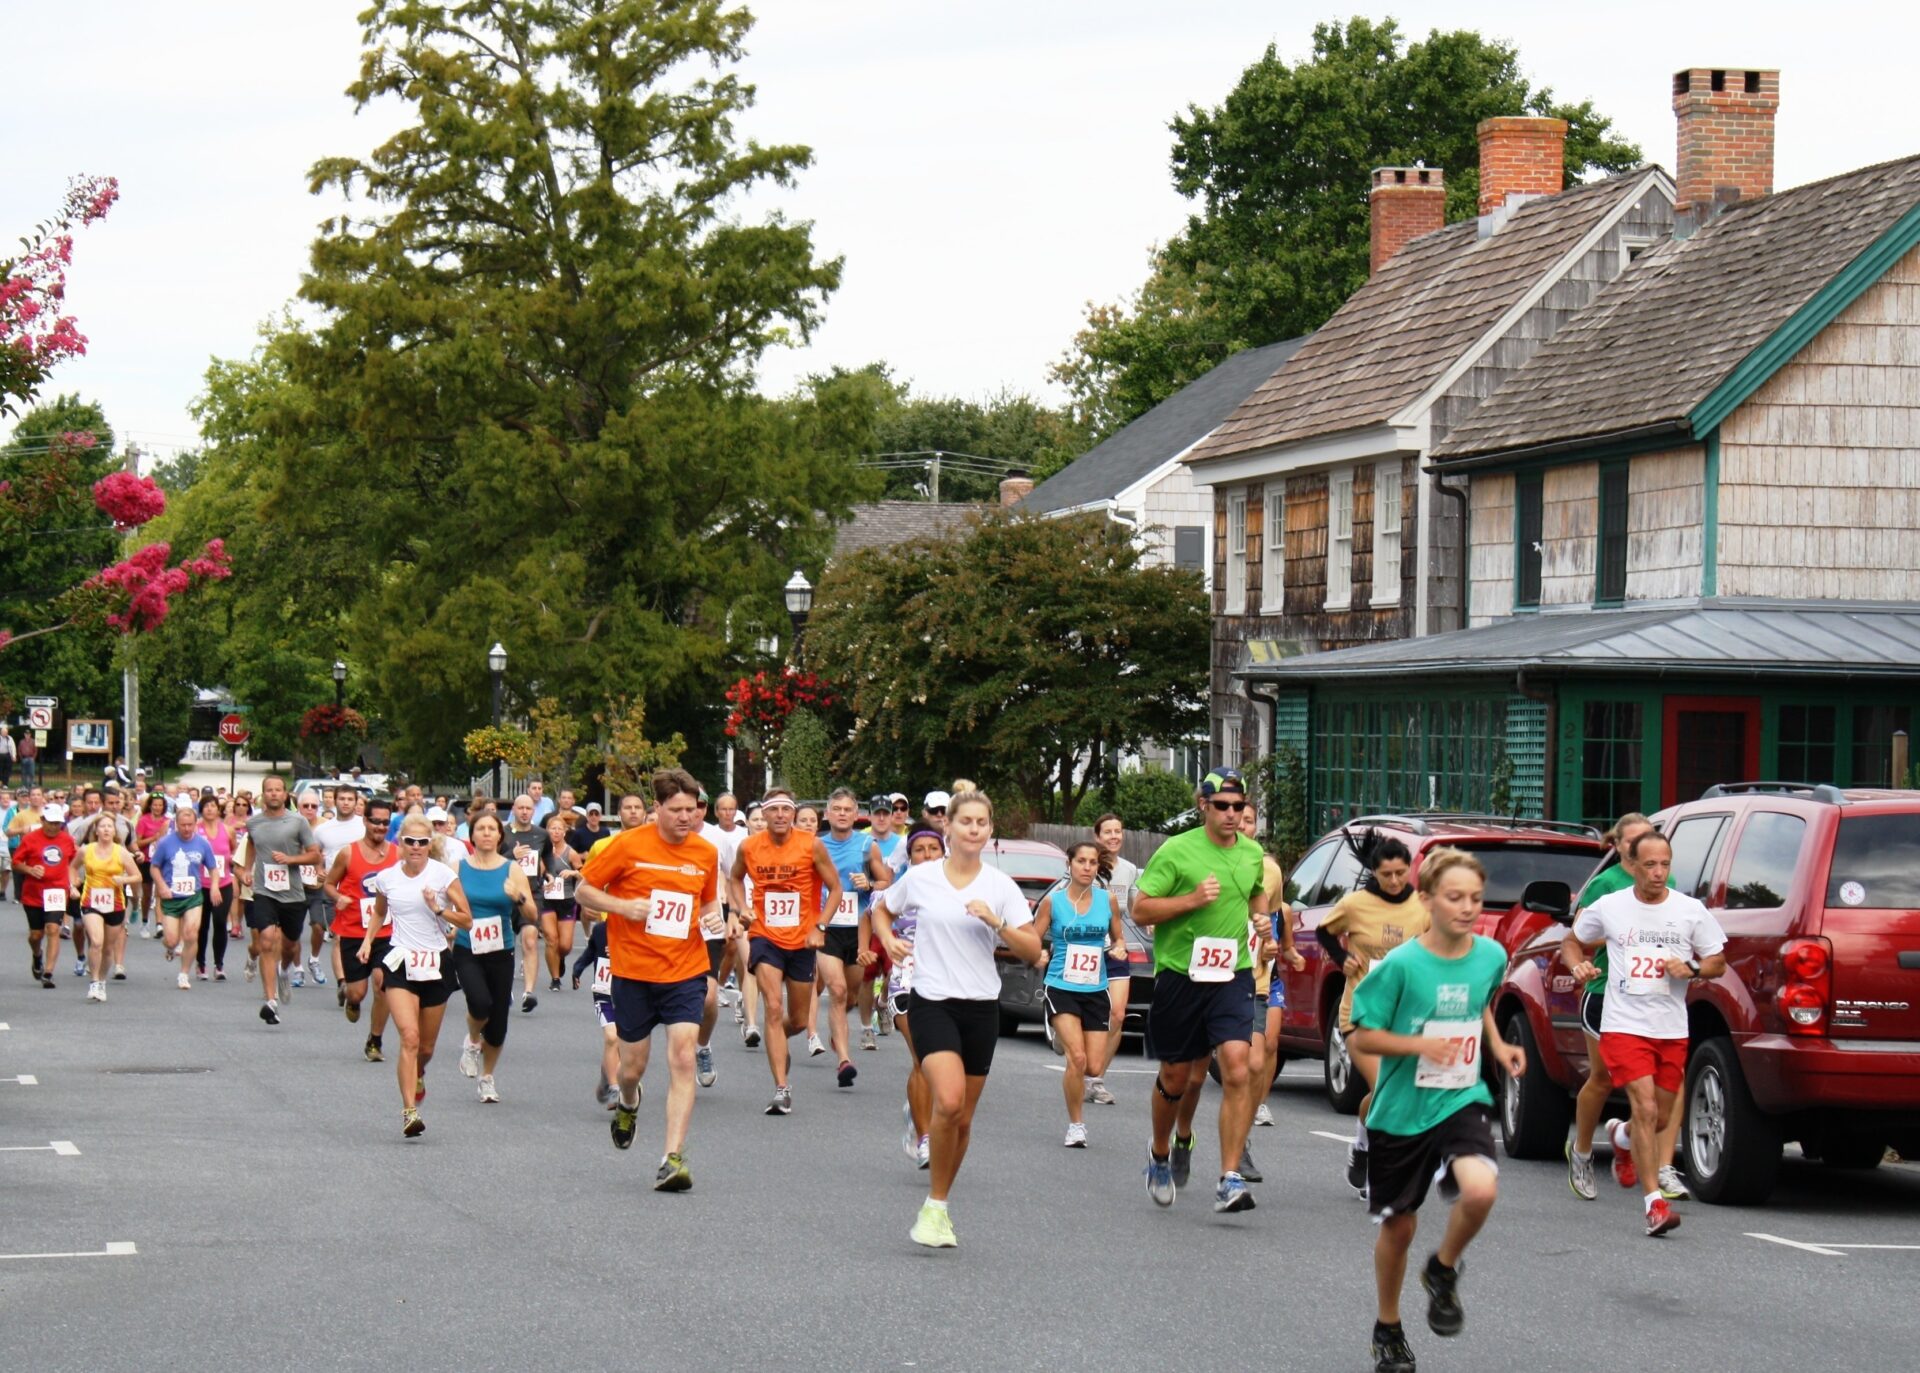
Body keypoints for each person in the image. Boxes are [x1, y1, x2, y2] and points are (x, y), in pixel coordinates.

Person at [1348, 848, 1523, 1373]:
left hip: (1459, 1097)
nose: (1468, 907)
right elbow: (1362, 1035)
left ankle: (1442, 1270)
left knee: (1481, 1188)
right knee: (1399, 1227)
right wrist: (1419, 1046)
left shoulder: (1492, 955)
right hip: (1401, 1109)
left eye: (1475, 897)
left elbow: (1480, 1003)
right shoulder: (1402, 965)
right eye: (1455, 897)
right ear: (1426, 900)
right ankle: (1388, 1328)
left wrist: (1496, 1045)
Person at [873, 790, 1040, 1247]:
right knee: (948, 1101)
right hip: (932, 1001)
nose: (973, 829)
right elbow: (881, 908)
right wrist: (887, 940)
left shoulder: (1000, 887)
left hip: (982, 1007)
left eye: (982, 822)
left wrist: (997, 924)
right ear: (947, 827)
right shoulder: (923, 877)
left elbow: (1032, 952)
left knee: (963, 1117)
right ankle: (935, 1204)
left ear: (989, 830)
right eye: (965, 821)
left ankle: (938, 1206)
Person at [1565, 831, 1727, 1237]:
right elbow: (1572, 942)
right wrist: (1577, 967)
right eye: (1650, 865)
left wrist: (1691, 969)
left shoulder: (1690, 910)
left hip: (1670, 1027)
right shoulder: (1610, 906)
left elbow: (1718, 962)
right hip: (1624, 1024)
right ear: (1632, 867)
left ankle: (1620, 1136)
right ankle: (1654, 1205)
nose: (1658, 873)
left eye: (1665, 864)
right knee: (1647, 1106)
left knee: (1661, 1116)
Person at [575, 768, 722, 1192]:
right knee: (632, 1068)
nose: (684, 818)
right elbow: (584, 892)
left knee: (682, 1058)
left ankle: (672, 1157)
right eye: (675, 810)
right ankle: (627, 1101)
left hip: (685, 970)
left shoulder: (705, 852)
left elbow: (708, 898)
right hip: (633, 973)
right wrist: (623, 907)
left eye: (691, 810)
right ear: (656, 808)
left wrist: (714, 915)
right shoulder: (627, 845)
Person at [1132, 768, 1269, 1215]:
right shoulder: (1177, 850)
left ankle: (1229, 1178)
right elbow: (1141, 907)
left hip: (1232, 974)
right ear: (1203, 805)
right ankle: (1159, 1153)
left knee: (1237, 1066)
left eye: (1239, 807)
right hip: (1180, 976)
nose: (1232, 815)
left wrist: (1263, 921)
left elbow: (1255, 893)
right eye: (1222, 806)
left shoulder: (1251, 853)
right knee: (1176, 1077)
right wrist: (1190, 900)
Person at [1564, 812, 1688, 1203]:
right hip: (1607, 993)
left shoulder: (1666, 884)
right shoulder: (1605, 885)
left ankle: (1640, 1147)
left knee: (1666, 1086)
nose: (1643, 856)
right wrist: (1624, 937)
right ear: (1619, 849)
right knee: (1603, 1079)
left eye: (1649, 844)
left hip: (1657, 1001)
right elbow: (1580, 937)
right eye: (1633, 845)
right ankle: (1582, 1150)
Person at [1319, 830, 1429, 1195]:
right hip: (1360, 1014)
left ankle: (1363, 1144)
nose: (1395, 881)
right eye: (1387, 875)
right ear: (1375, 872)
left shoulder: (1421, 909)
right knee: (1384, 1087)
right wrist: (1343, 958)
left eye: (1401, 873)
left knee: (1394, 1092)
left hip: (1405, 1018)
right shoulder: (1355, 904)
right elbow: (1323, 932)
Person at [728, 788, 841, 1116]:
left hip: (803, 941)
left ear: (793, 814)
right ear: (764, 815)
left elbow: (835, 888)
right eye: (772, 810)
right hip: (764, 936)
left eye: (785, 810)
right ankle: (781, 1087)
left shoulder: (811, 845)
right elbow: (734, 879)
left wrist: (820, 926)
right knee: (773, 1009)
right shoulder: (749, 846)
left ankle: (779, 1042)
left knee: (798, 1017)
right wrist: (742, 907)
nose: (779, 815)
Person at [361, 816, 471, 1137]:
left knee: (425, 1047)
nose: (416, 847)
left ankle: (419, 1071)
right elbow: (380, 911)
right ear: (401, 843)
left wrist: (438, 908)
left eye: (423, 842)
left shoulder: (443, 875)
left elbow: (467, 920)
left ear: (430, 845)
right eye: (410, 841)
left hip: (436, 962)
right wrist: (368, 941)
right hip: (400, 961)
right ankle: (409, 1111)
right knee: (409, 1037)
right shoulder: (387, 878)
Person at [1033, 840, 1125, 1148]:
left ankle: (1063, 1037)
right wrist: (1038, 955)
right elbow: (1033, 938)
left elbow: (1118, 936)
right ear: (1069, 865)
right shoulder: (1054, 902)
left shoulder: (1107, 900)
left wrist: (1121, 948)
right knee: (1078, 1057)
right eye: (1081, 861)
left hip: (1095, 988)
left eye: (1092, 862)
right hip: (1061, 985)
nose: (1087, 867)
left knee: (1094, 1066)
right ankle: (1076, 1124)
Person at [450, 811, 538, 1103]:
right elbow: (442, 901)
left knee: (498, 1023)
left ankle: (487, 1077)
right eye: (481, 828)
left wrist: (519, 898)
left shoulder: (512, 869)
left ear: (500, 836)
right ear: (472, 835)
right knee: (479, 1002)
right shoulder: (458, 867)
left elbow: (531, 915)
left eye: (492, 829)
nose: (487, 833)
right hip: (467, 946)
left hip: (501, 949)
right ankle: (473, 1041)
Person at [817, 788, 892, 1084]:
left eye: (848, 809)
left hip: (859, 928)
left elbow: (887, 881)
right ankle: (844, 1061)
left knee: (849, 994)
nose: (842, 813)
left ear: (855, 814)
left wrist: (870, 883)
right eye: (837, 808)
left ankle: (838, 1033)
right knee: (835, 990)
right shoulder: (815, 846)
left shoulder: (867, 846)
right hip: (827, 928)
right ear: (827, 814)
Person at [236, 776, 321, 1027]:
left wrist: (290, 860)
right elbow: (252, 845)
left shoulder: (298, 822)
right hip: (264, 890)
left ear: (285, 795)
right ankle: (270, 1001)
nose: (273, 794)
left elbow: (314, 855)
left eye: (278, 790)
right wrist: (248, 870)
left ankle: (285, 972)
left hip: (293, 893)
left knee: (290, 945)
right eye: (268, 791)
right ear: (263, 795)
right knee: (266, 939)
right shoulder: (254, 823)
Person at [324, 796, 401, 1059]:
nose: (380, 827)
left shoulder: (397, 853)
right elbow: (328, 884)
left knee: (382, 984)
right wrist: (338, 898)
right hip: (354, 931)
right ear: (365, 821)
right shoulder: (348, 852)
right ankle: (351, 998)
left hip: (386, 931)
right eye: (376, 822)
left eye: (385, 823)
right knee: (358, 992)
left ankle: (375, 1040)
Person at [888, 827, 946, 1168]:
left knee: (942, 1064)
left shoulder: (958, 890)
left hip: (945, 982)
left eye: (933, 849)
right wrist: (873, 946)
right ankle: (925, 1138)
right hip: (906, 982)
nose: (926, 855)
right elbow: (873, 915)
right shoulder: (902, 889)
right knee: (922, 1057)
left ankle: (918, 1107)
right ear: (910, 857)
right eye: (919, 850)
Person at [1244, 805, 1302, 1138]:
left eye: (1250, 820)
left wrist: (1287, 952)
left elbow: (1280, 921)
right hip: (1227, 973)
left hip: (1267, 975)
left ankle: (1259, 1101)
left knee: (1269, 1043)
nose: (1242, 824)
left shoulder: (1272, 873)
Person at [1084, 812, 1139, 1106]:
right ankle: (1074, 1051)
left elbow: (1134, 906)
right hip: (1088, 949)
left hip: (1119, 946)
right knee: (1087, 1014)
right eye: (1108, 832)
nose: (1114, 836)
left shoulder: (1130, 869)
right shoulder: (1086, 864)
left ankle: (1096, 1080)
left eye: (1118, 831)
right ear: (1097, 836)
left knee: (1117, 1014)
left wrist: (1149, 923)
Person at [73, 812, 139, 1000]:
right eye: (102, 826)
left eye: (110, 826)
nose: (106, 830)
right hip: (90, 900)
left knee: (108, 948)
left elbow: (137, 876)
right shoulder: (86, 850)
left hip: (115, 902)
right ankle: (93, 982)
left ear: (114, 830)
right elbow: (72, 868)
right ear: (96, 830)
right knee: (96, 942)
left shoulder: (122, 852)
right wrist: (73, 884)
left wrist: (123, 879)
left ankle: (101, 981)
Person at [150, 805, 216, 991]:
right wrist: (162, 886)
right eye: (183, 825)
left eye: (190, 825)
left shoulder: (202, 843)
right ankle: (171, 948)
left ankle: (184, 973)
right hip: (171, 897)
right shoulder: (165, 843)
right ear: (176, 824)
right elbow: (154, 867)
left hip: (193, 896)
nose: (187, 829)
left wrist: (215, 887)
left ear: (196, 824)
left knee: (191, 934)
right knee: (171, 939)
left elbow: (212, 867)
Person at [312, 786, 366, 989]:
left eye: (349, 799)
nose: (345, 802)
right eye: (341, 798)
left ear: (355, 802)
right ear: (334, 801)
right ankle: (343, 981)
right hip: (334, 888)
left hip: (360, 888)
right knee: (339, 936)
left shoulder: (363, 826)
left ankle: (357, 975)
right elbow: (315, 852)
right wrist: (319, 868)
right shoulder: (323, 829)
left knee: (360, 936)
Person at [19, 803, 77, 989]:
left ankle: (49, 972)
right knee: (36, 935)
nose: (54, 826)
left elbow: (74, 863)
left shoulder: (67, 840)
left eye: (58, 823)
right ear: (42, 820)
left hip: (57, 891)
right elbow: (16, 862)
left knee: (53, 928)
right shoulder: (30, 839)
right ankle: (37, 955)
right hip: (34, 893)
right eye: (50, 822)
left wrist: (73, 884)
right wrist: (29, 869)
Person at [501, 794, 546, 1012]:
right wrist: (512, 854)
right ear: (514, 809)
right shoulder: (503, 833)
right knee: (505, 944)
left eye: (529, 808)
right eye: (521, 808)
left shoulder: (541, 835)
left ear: (533, 811)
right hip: (506, 892)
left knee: (529, 939)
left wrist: (550, 876)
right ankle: (505, 987)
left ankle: (528, 992)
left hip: (532, 894)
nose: (525, 812)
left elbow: (546, 859)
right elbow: (493, 859)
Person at [536, 812, 582, 992]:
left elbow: (583, 874)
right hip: (546, 900)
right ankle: (555, 978)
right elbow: (533, 874)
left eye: (559, 829)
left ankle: (560, 958)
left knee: (564, 945)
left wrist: (572, 873)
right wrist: (542, 881)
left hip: (566, 900)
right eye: (552, 829)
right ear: (546, 831)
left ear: (564, 832)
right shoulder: (540, 852)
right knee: (551, 939)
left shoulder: (571, 853)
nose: (555, 832)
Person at [195, 797, 238, 981]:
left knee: (220, 922)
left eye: (213, 806)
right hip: (201, 885)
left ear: (218, 809)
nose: (210, 809)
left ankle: (218, 965)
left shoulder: (228, 830)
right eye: (206, 806)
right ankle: (201, 964)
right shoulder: (196, 830)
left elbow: (235, 852)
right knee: (202, 925)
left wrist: (233, 861)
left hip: (223, 883)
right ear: (201, 810)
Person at [133, 793, 170, 936]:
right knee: (147, 894)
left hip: (162, 860)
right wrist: (153, 838)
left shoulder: (168, 821)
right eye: (155, 805)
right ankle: (144, 921)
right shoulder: (143, 820)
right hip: (147, 860)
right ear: (150, 805)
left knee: (159, 892)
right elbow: (137, 842)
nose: (157, 808)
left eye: (160, 805)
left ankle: (159, 924)